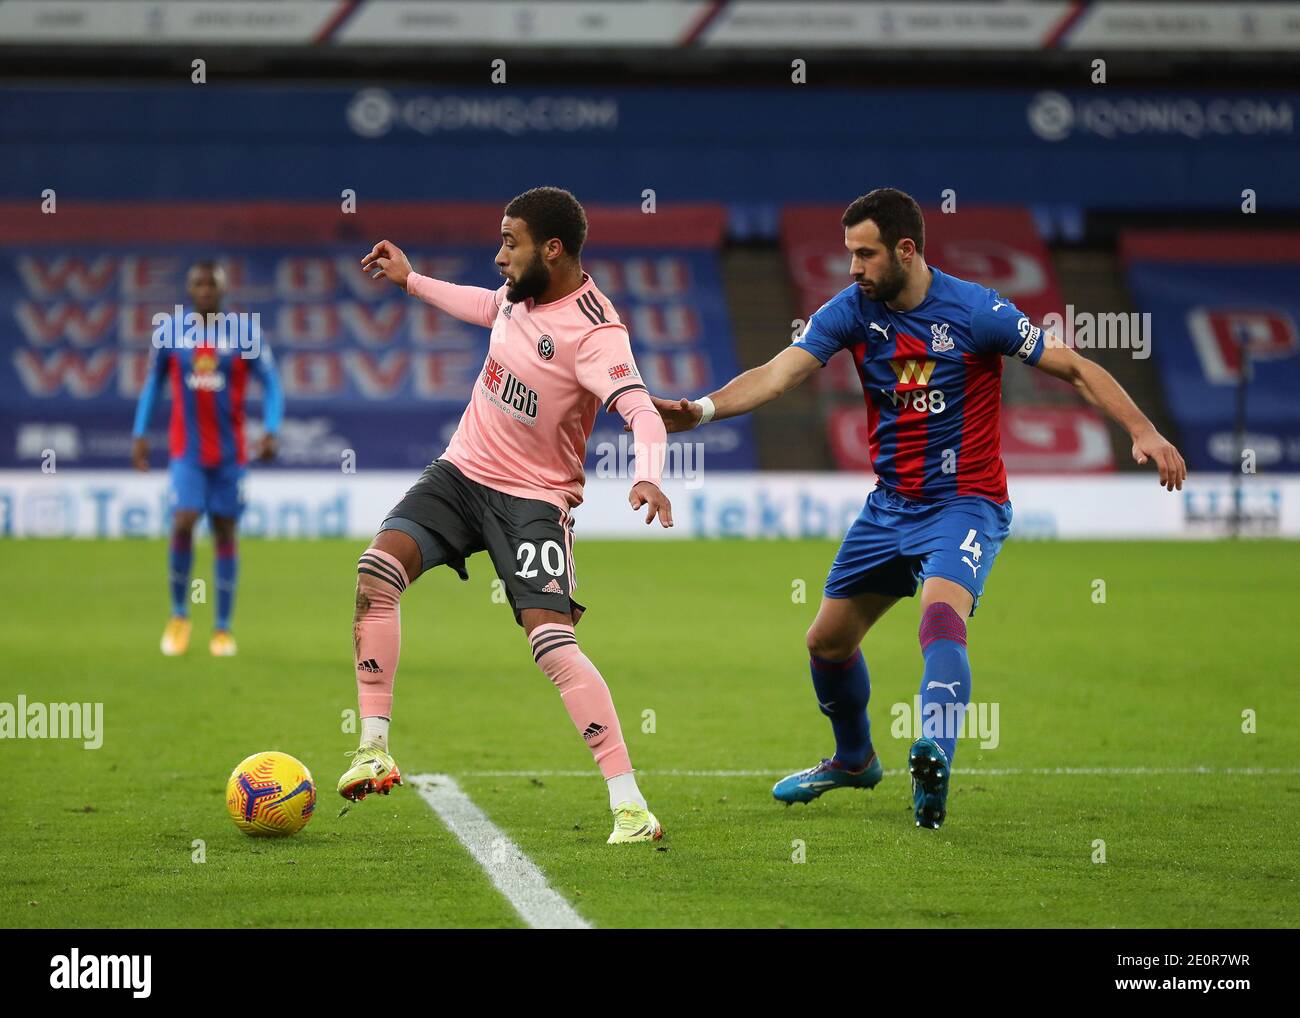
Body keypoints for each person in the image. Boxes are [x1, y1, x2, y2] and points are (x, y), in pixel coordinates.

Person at [650, 188, 1186, 829]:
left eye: (865, 254)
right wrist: (702, 410)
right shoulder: (852, 311)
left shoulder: (977, 310)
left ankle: (935, 755)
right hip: (888, 509)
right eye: (850, 254)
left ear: (906, 249)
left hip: (967, 503)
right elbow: (779, 372)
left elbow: (1070, 366)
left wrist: (1143, 430)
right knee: (826, 640)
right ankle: (854, 760)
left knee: (939, 616)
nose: (853, 268)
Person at [342, 187, 672, 845]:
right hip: (460, 474)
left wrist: (647, 477)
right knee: (377, 574)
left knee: (552, 644)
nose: (498, 256)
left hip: (531, 502)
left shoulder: (595, 331)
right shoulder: (518, 298)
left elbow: (642, 410)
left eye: (509, 243)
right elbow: (486, 306)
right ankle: (373, 745)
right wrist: (410, 281)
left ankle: (631, 807)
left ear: (551, 249)